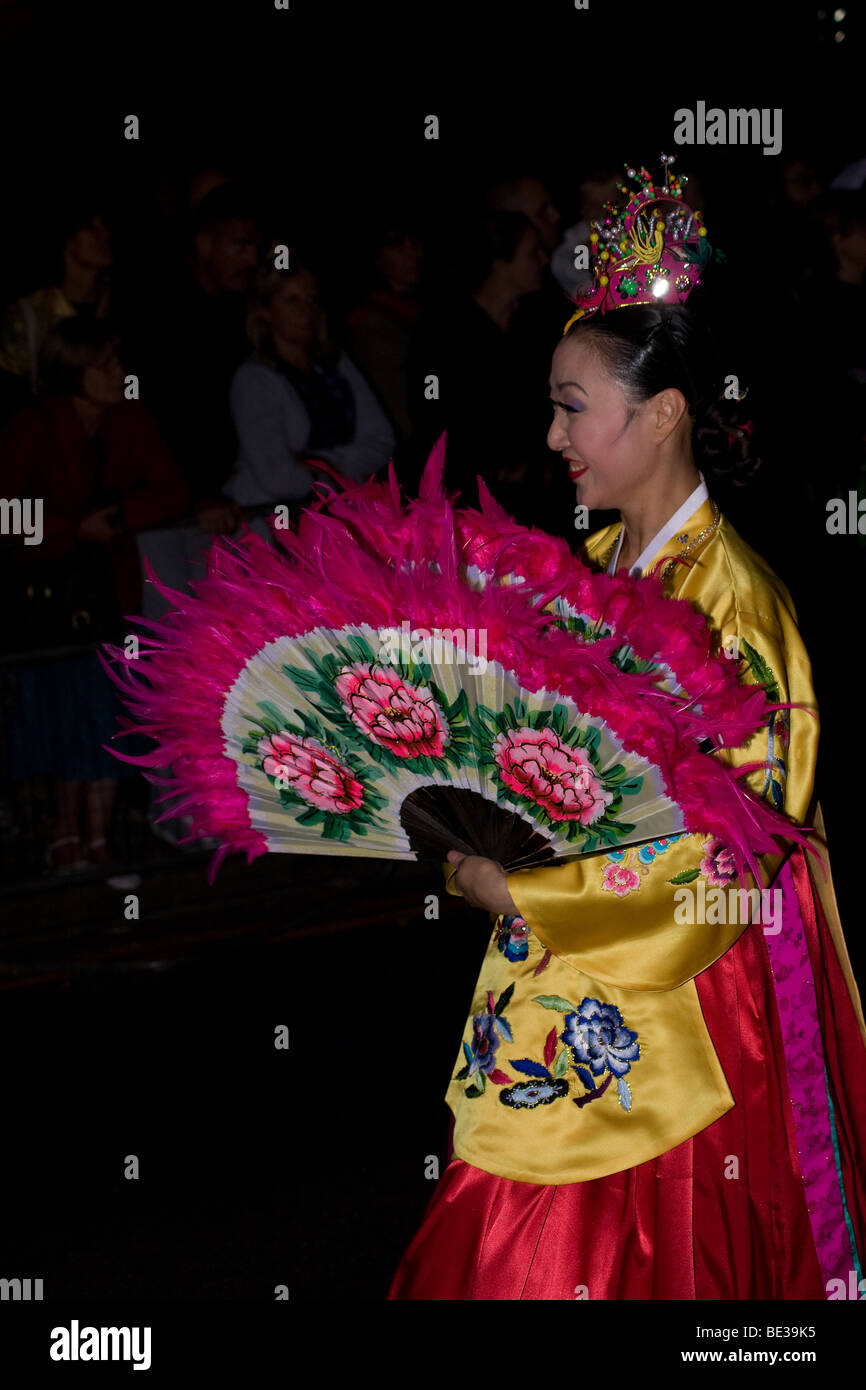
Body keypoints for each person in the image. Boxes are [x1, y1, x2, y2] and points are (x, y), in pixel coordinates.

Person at [388, 158, 866, 1300]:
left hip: (684, 1000)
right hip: (574, 969)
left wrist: (523, 895)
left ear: (658, 416)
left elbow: (727, 861)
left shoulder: (737, 608)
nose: (551, 436)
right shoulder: (595, 573)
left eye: (569, 407)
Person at [0, 318, 190, 885]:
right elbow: (7, 515)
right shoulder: (32, 426)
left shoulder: (128, 418)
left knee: (108, 709)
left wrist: (118, 520)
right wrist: (71, 530)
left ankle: (100, 841)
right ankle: (64, 839)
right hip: (47, 596)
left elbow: (172, 489)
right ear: (72, 370)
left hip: (109, 589)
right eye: (105, 364)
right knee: (62, 711)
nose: (120, 373)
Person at [222, 254, 395, 510]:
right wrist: (344, 471)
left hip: (342, 512)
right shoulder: (254, 379)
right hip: (271, 521)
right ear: (266, 310)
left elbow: (382, 441)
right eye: (292, 300)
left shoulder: (337, 364)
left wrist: (320, 463)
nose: (306, 310)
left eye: (312, 299)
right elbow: (277, 476)